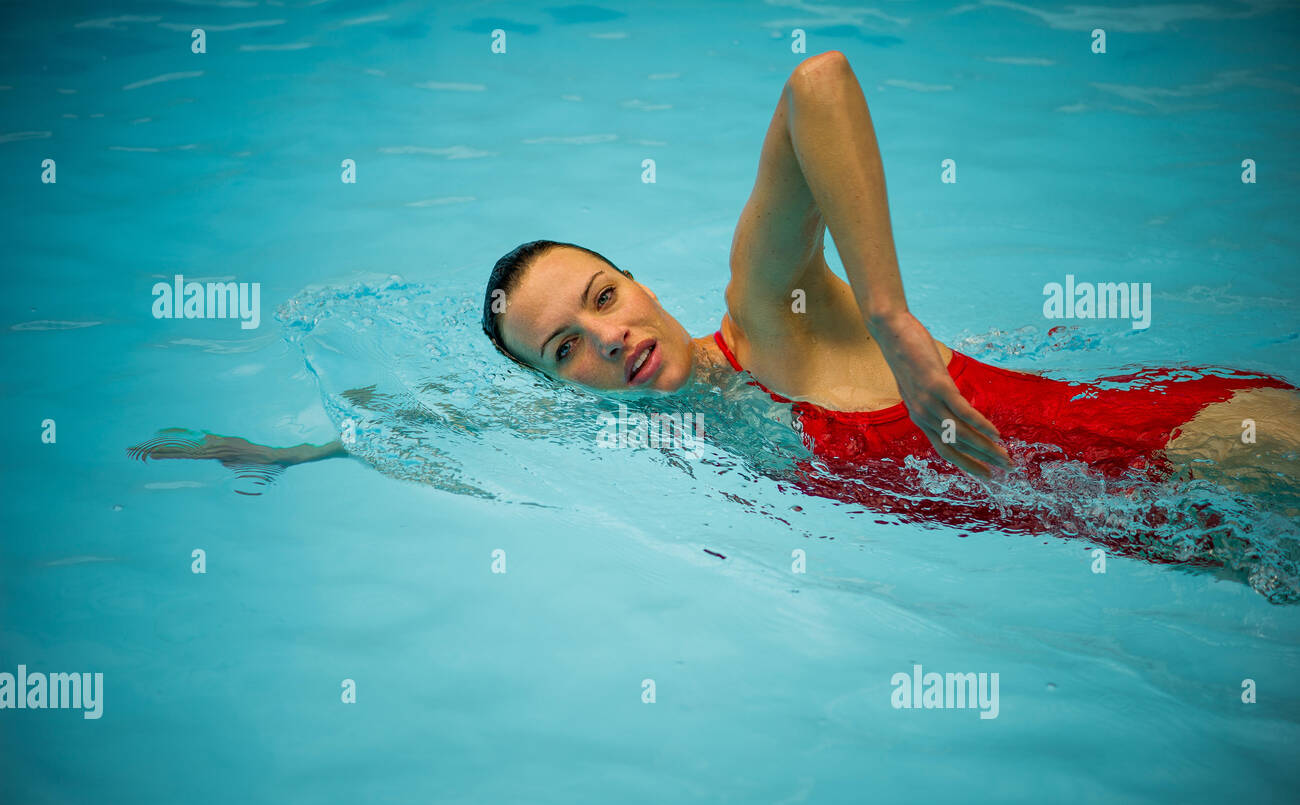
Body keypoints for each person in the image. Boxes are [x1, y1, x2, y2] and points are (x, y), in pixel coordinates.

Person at [138, 52, 1298, 524]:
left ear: (637, 280)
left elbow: (819, 85)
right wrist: (286, 455)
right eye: (564, 350)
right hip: (1188, 534)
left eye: (600, 296)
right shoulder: (675, 422)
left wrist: (892, 327)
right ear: (568, 388)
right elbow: (445, 422)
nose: (605, 339)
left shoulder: (766, 315)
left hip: (1210, 449)